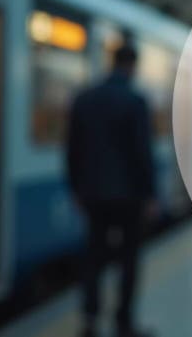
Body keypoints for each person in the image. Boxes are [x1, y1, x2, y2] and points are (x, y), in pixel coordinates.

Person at [67, 44, 157, 337]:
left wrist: (75, 188)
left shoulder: (85, 98)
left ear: (112, 62)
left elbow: (72, 149)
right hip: (129, 196)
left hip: (93, 194)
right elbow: (143, 153)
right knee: (128, 260)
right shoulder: (135, 101)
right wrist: (150, 194)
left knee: (93, 257)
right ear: (132, 66)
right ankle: (123, 322)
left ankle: (90, 321)